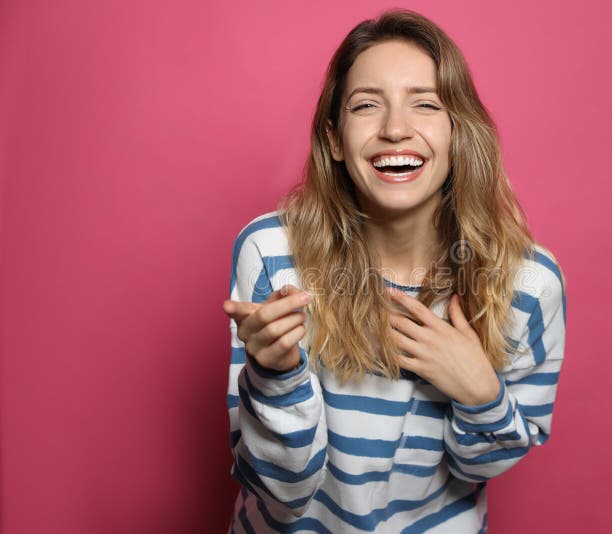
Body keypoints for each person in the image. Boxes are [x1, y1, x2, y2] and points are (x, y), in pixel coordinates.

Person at [222, 8, 567, 533]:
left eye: (425, 104)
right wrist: (274, 376)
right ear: (335, 140)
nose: (395, 129)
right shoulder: (273, 253)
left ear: (458, 133)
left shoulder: (528, 283)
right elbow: (278, 488)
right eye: (366, 105)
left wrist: (480, 392)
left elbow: (479, 466)